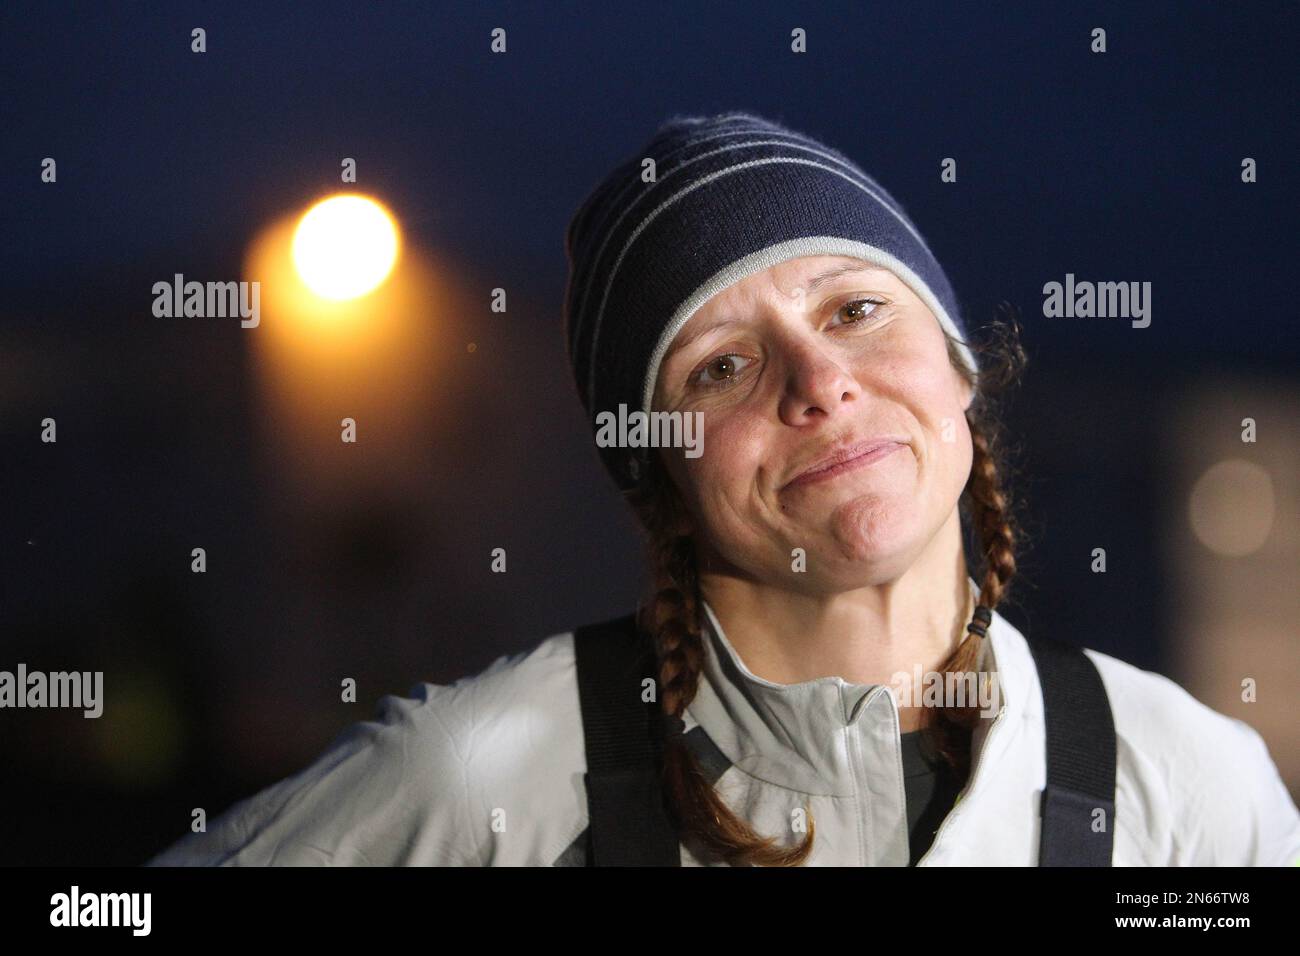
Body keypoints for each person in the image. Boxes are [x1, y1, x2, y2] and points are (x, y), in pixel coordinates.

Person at [146, 111, 1300, 867]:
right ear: (656, 469)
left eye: (856, 308)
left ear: (956, 363)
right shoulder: (494, 773)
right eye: (723, 365)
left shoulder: (1182, 784)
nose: (820, 384)